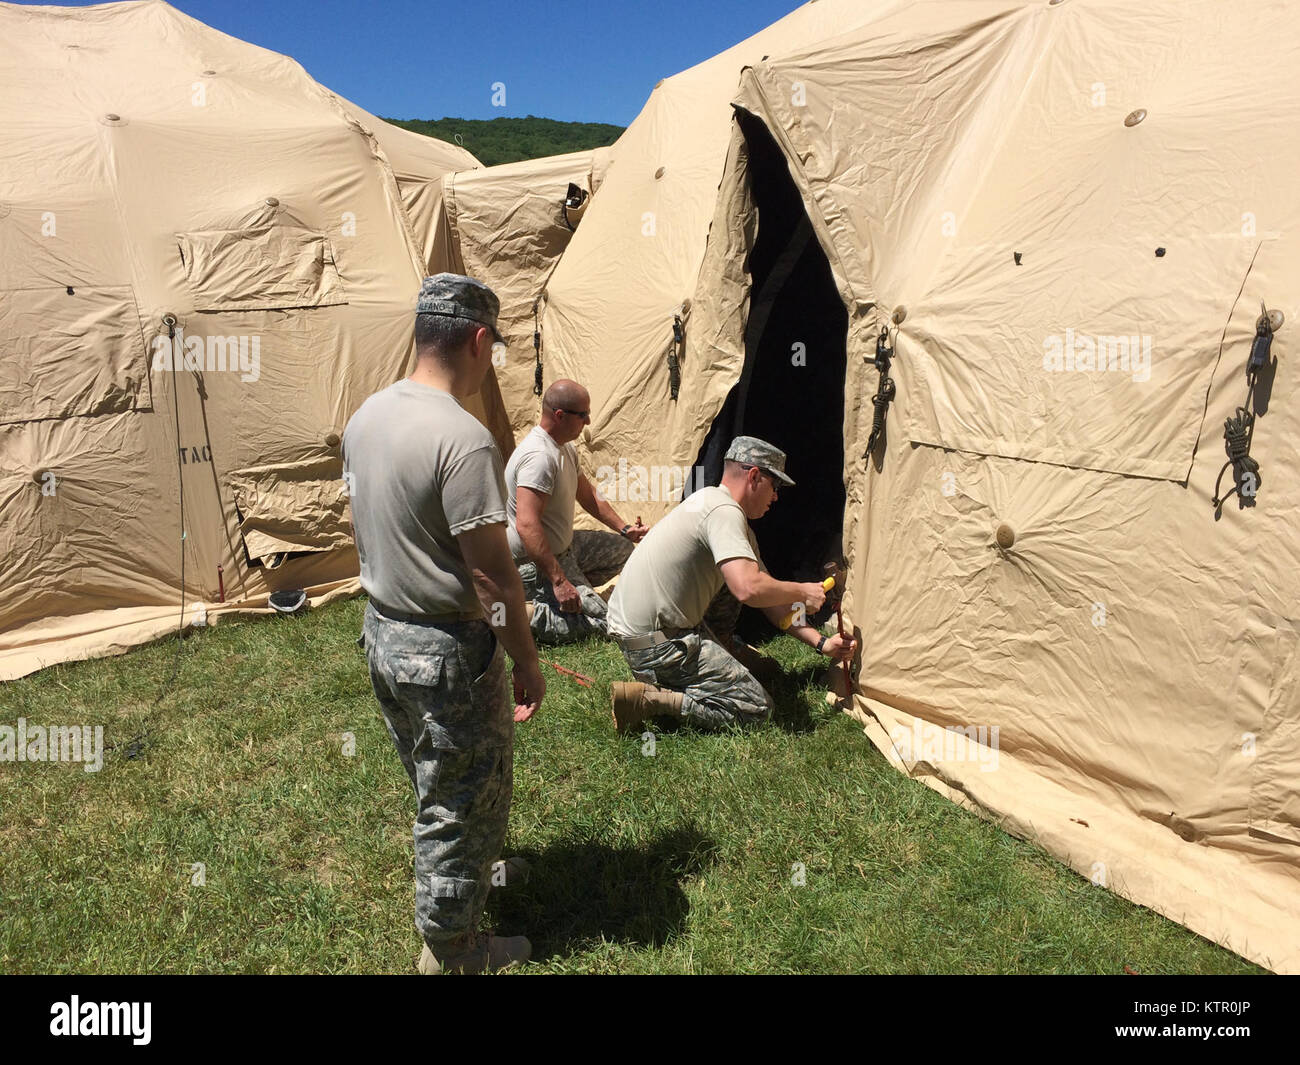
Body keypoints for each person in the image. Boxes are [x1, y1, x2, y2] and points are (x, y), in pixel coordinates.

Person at [342, 274, 544, 974]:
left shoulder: (366, 415)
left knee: (439, 780)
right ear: (480, 340)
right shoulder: (463, 438)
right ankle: (452, 947)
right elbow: (491, 577)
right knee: (459, 798)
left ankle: (474, 873)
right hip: (446, 650)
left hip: (383, 633)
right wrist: (526, 657)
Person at [606, 436, 857, 732]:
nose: (775, 497)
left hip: (646, 634)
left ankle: (721, 650)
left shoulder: (711, 503)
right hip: (657, 646)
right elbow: (748, 589)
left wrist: (821, 643)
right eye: (774, 486)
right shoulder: (723, 513)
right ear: (753, 476)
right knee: (757, 708)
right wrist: (802, 591)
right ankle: (653, 699)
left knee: (767, 663)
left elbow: (770, 599)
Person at [506, 379, 648, 644]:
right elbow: (526, 525)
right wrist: (559, 581)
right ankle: (523, 614)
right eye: (583, 415)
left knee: (625, 551)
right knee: (609, 624)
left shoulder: (564, 447)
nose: (589, 422)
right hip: (535, 563)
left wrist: (625, 529)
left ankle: (574, 594)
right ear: (559, 416)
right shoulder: (539, 457)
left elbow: (588, 495)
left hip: (565, 549)